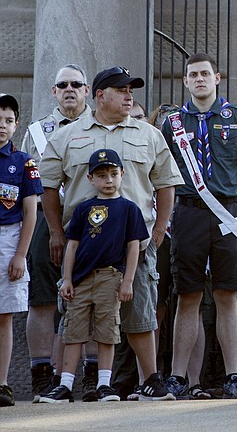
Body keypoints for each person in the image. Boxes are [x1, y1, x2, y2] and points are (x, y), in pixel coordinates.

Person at [40, 66, 184, 401]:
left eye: (131, 90)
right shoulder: (66, 136)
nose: (129, 96)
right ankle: (64, 385)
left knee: (141, 312)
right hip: (84, 247)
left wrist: (161, 225)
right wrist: (55, 233)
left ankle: (151, 380)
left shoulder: (149, 135)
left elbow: (166, 183)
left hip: (133, 245)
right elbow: (48, 187)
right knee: (73, 315)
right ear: (100, 95)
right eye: (121, 90)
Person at [161, 53, 237, 399]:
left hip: (229, 213)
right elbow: (163, 175)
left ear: (217, 78)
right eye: (193, 75)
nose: (200, 79)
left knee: (227, 294)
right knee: (187, 296)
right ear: (186, 81)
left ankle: (234, 375)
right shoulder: (172, 123)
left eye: (206, 73)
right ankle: (177, 377)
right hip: (188, 213)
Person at [38, 149, 147, 403]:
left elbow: (133, 247)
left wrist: (128, 280)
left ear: (122, 174)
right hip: (80, 279)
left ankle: (104, 384)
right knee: (73, 331)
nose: (108, 180)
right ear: (90, 179)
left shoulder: (129, 209)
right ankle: (65, 384)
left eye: (113, 174)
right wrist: (66, 279)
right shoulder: (83, 209)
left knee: (107, 330)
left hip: (110, 277)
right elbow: (72, 245)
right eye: (101, 175)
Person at [21, 64, 91, 402]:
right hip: (44, 227)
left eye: (76, 84)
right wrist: (50, 230)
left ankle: (91, 377)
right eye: (62, 84)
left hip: (91, 223)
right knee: (43, 299)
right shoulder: (36, 132)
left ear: (88, 90)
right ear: (53, 91)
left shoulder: (101, 128)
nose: (69, 90)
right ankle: (42, 376)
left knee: (94, 298)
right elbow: (25, 186)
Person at [0, 94, 40, 406]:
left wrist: (20, 255)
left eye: (8, 120)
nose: (2, 126)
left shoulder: (23, 162)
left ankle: (2, 384)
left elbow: (30, 213)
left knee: (4, 316)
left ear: (16, 124)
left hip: (9, 239)